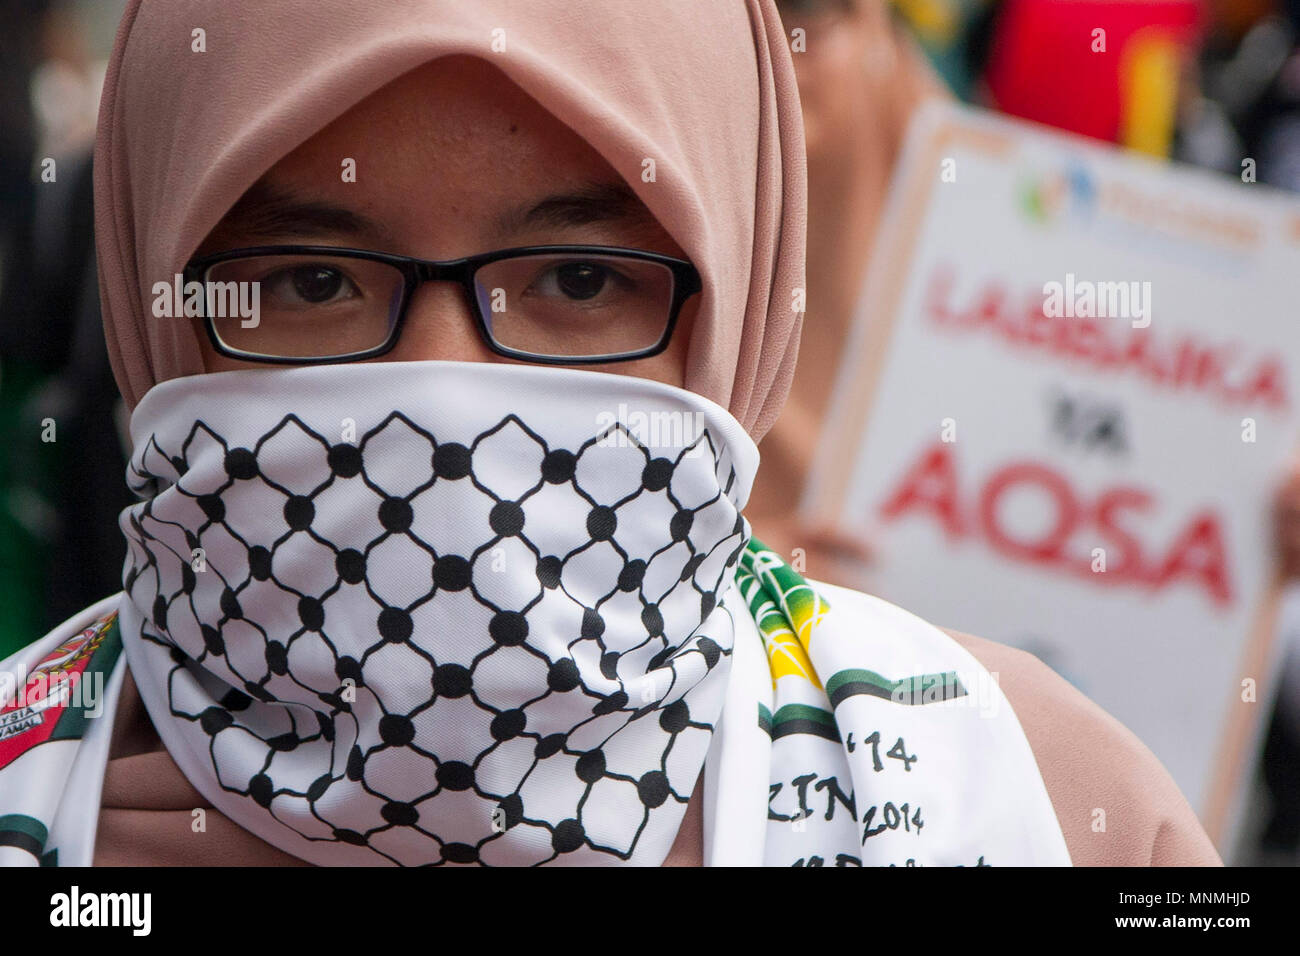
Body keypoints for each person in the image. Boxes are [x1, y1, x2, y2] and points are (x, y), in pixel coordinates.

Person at [0, 0, 1218, 867]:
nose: (443, 395)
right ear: (153, 301)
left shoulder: (1042, 806)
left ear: (739, 311)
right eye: (312, 280)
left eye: (580, 279)